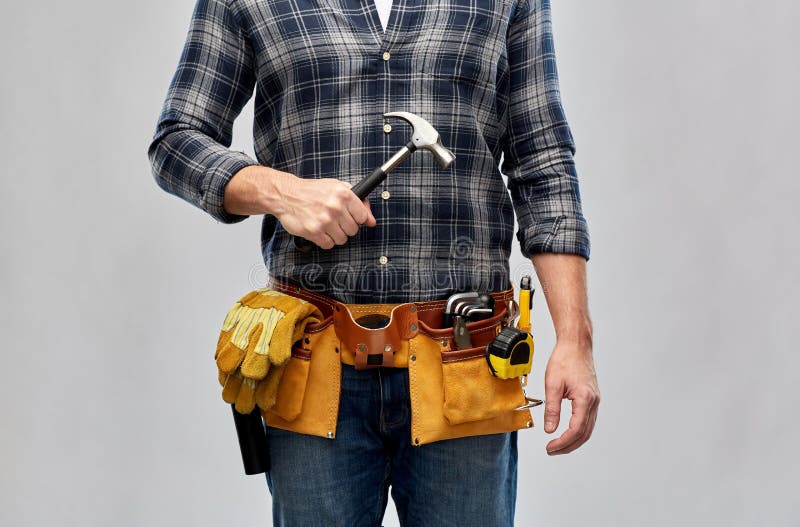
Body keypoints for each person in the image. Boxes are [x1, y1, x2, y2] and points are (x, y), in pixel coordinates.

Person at [148, 0, 600, 525]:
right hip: (313, 362)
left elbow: (542, 160)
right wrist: (282, 192)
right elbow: (176, 141)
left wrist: (575, 339)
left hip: (463, 361)